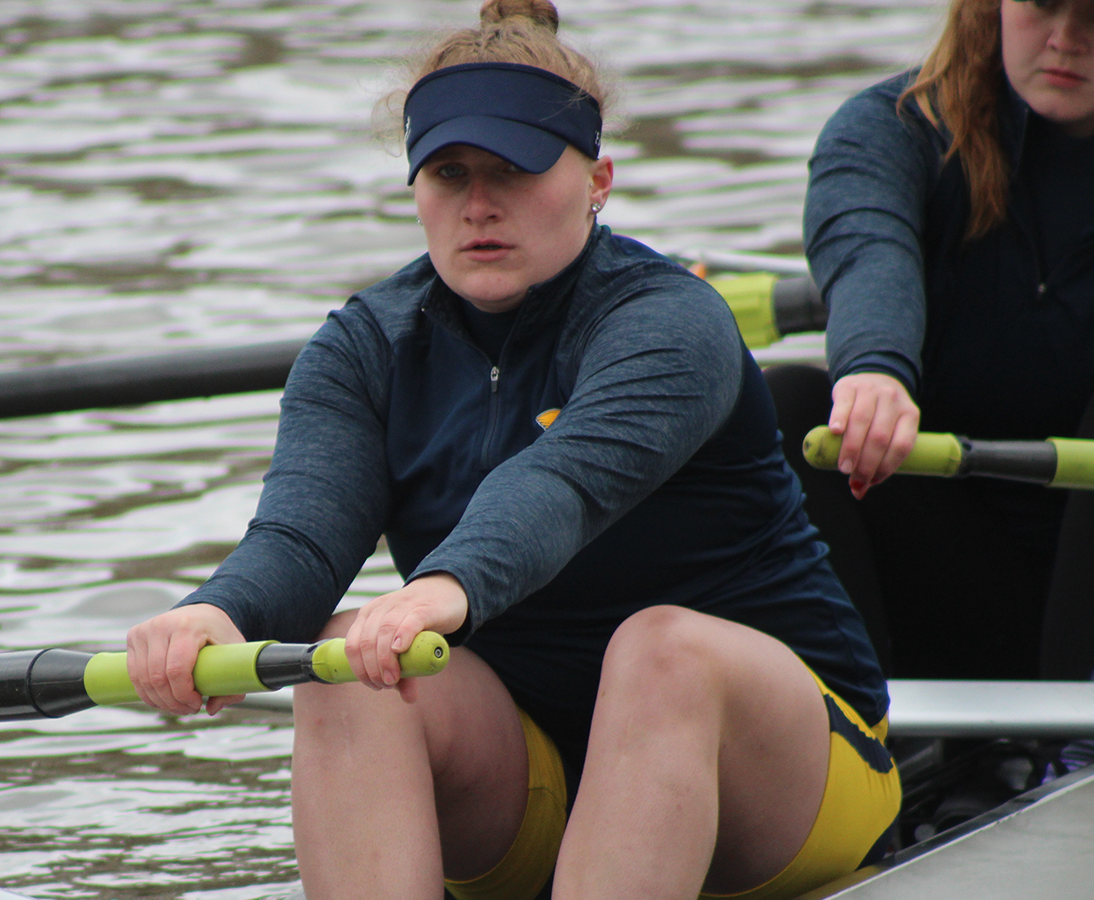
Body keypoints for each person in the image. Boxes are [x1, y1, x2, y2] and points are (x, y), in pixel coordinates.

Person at [127, 2, 899, 898]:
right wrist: (217, 614)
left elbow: (559, 485)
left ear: (597, 179)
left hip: (780, 783)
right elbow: (301, 538)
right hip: (526, 776)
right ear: (414, 187)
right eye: (449, 173)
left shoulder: (670, 323)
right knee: (345, 662)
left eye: (514, 169)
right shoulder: (361, 349)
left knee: (660, 651)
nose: (479, 206)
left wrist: (438, 590)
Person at [783, 0, 1094, 682]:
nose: (1066, 39)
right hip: (959, 578)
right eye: (1043, 4)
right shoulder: (890, 128)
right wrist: (874, 370)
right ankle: (848, 719)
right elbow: (867, 245)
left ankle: (1077, 745)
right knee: (787, 405)